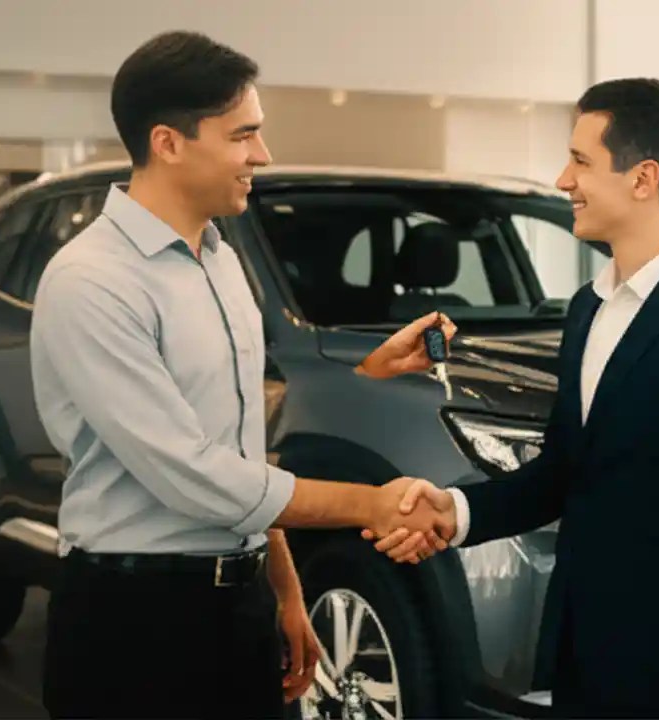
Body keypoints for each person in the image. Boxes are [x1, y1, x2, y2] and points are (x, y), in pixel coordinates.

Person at [29, 31, 452, 720]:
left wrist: (284, 593)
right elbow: (192, 474)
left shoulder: (221, 261)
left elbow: (240, 451)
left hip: (240, 602)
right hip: (133, 618)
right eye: (243, 135)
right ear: (167, 142)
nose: (263, 154)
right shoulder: (92, 281)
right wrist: (371, 504)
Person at [369, 78, 659, 719]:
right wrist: (453, 512)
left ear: (643, 178)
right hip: (585, 664)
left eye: (581, 160)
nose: (563, 179)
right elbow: (566, 471)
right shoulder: (587, 308)